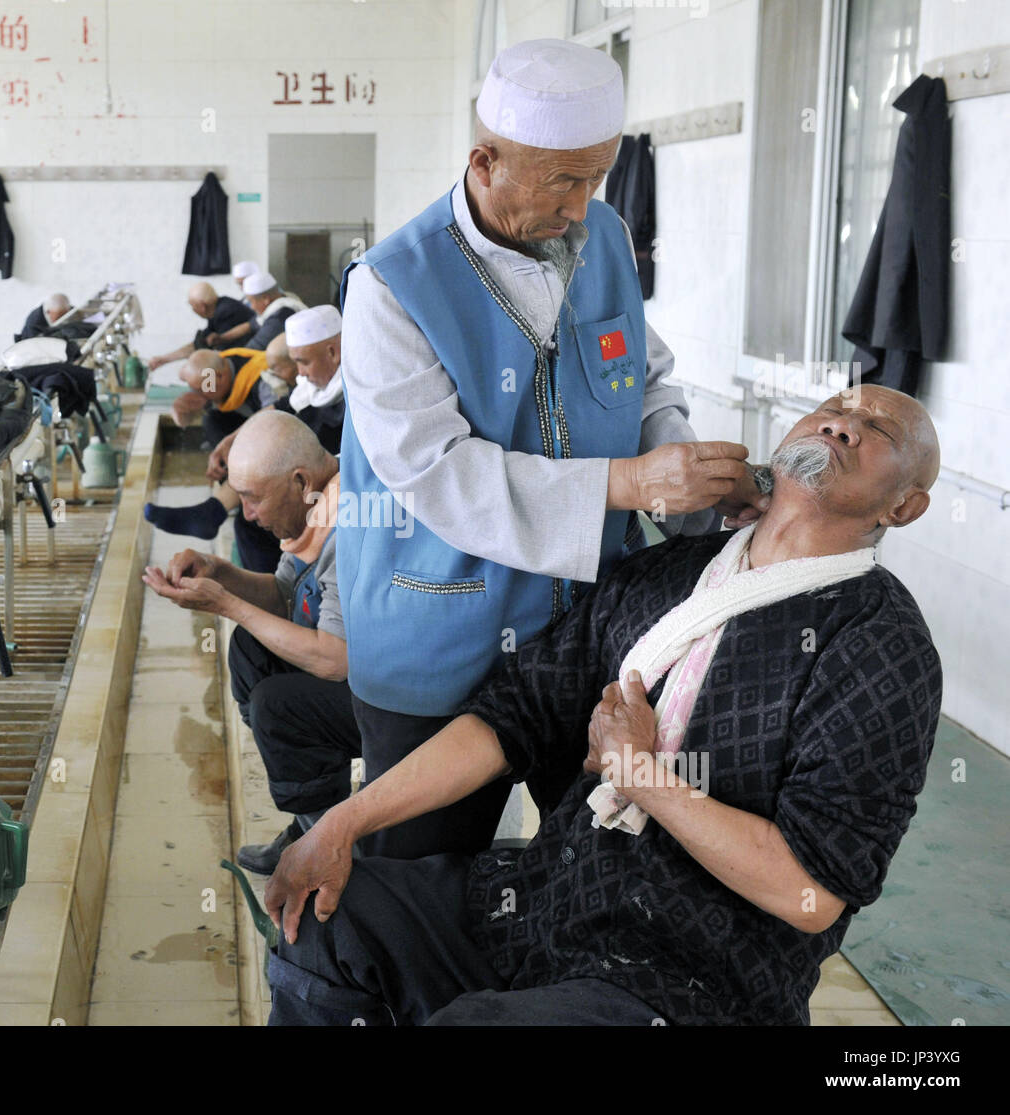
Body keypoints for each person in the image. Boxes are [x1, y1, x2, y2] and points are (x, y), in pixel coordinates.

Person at [263, 385, 944, 1027]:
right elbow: (513, 714)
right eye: (830, 408)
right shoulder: (665, 572)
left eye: (875, 428)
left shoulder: (880, 645)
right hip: (543, 900)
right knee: (326, 918)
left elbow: (814, 893)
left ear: (904, 507)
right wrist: (343, 823)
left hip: (690, 973)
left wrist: (638, 773)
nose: (840, 422)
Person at [335, 39, 767, 861]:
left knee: (597, 870)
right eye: (563, 181)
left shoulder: (601, 235)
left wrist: (689, 482)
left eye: (596, 177)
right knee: (416, 887)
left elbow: (640, 379)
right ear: (485, 161)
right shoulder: (393, 285)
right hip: (439, 635)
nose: (581, 205)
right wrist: (629, 482)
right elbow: (437, 471)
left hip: (582, 641)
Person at [142, 410, 360, 873]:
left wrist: (225, 603)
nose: (248, 513)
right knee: (250, 649)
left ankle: (333, 846)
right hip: (359, 670)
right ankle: (313, 820)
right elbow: (284, 596)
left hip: (400, 695)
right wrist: (218, 571)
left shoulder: (351, 526)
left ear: (300, 481)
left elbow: (334, 661)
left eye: (253, 498)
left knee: (277, 706)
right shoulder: (320, 502)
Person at [145, 306, 347, 574]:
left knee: (252, 513)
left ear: (333, 352)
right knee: (217, 423)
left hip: (330, 479)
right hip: (305, 468)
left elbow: (277, 426)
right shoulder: (313, 386)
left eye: (303, 362)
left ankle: (273, 594)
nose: (299, 374)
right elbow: (281, 408)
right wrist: (230, 440)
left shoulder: (354, 391)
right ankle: (214, 511)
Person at [147, 281, 256, 371]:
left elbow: (213, 353)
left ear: (202, 306)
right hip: (240, 363)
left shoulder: (226, 313)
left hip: (247, 365)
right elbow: (199, 344)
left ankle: (210, 394)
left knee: (203, 368)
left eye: (192, 305)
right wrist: (164, 359)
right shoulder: (219, 309)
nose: (192, 310)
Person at [242, 272, 307, 351]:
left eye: (251, 302)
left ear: (265, 299)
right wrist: (224, 337)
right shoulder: (283, 298)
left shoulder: (281, 315)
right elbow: (252, 324)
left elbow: (251, 350)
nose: (252, 307)